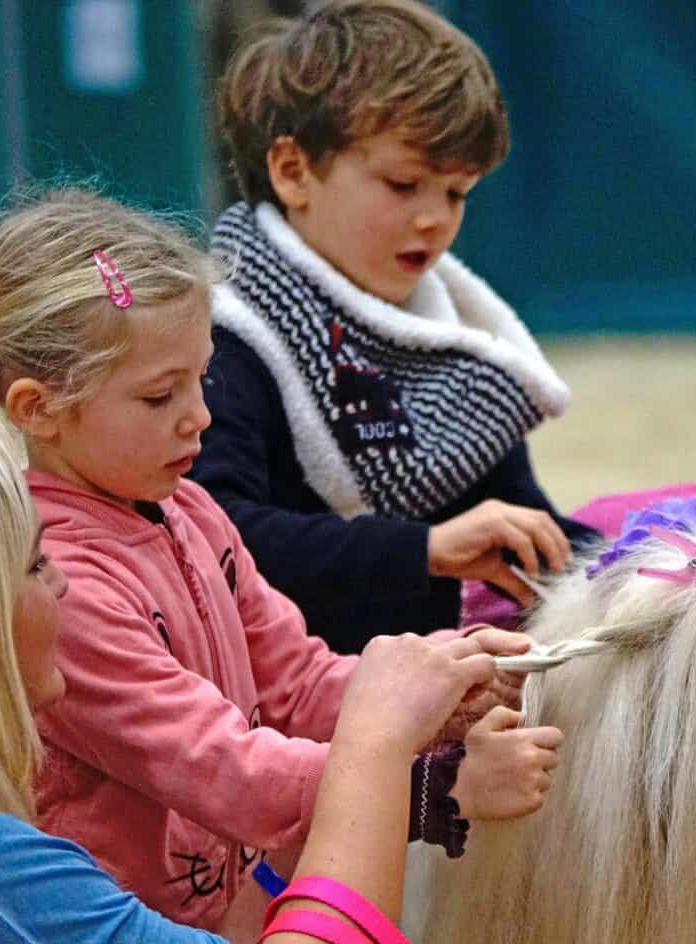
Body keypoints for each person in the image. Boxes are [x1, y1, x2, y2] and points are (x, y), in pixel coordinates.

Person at [0, 186, 563, 944]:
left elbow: (292, 679)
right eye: (160, 396)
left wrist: (440, 697)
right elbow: (222, 768)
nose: (199, 418)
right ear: (38, 409)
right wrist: (433, 783)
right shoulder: (60, 582)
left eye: (202, 381)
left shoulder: (193, 512)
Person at [194, 0, 599, 659]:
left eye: (457, 192)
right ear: (293, 171)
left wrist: (653, 569)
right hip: (271, 709)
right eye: (405, 183)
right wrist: (425, 550)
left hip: (418, 684)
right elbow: (211, 538)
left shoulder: (447, 336)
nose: (435, 219)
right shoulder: (221, 339)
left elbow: (522, 527)